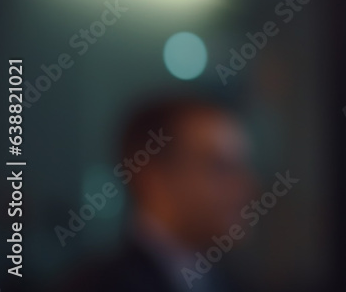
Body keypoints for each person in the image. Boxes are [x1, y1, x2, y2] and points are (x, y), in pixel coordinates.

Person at [57, 95, 255, 292]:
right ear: (153, 179)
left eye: (241, 167)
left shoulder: (234, 283)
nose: (244, 186)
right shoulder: (97, 286)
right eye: (220, 168)